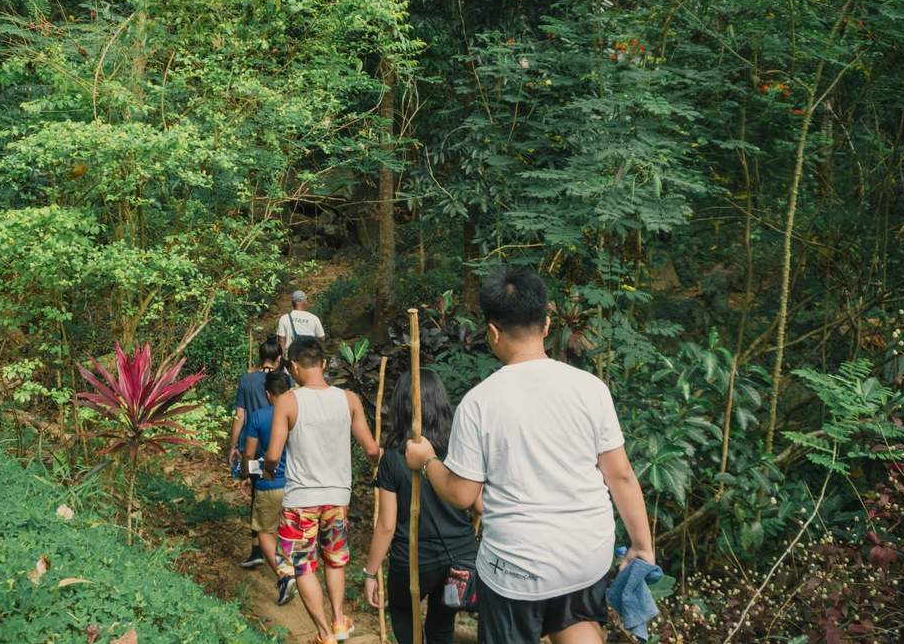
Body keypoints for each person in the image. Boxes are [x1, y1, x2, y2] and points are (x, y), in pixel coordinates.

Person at [404, 266, 654, 644]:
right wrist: (642, 544)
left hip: (517, 569)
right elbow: (620, 475)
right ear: (548, 324)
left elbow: (461, 494)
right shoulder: (591, 388)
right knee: (579, 622)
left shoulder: (479, 402)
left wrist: (425, 460)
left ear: (492, 331)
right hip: (586, 554)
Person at [263, 338, 380, 644]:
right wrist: (382, 461)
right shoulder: (349, 399)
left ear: (293, 367)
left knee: (303, 565)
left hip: (301, 498)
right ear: (325, 364)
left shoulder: (288, 401)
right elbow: (370, 448)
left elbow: (274, 455)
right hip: (338, 497)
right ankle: (340, 621)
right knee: (335, 559)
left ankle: (324, 634)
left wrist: (267, 471)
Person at [361, 370, 479, 644]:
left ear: (400, 407)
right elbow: (479, 504)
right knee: (441, 630)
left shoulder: (392, 459)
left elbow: (387, 525)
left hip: (414, 559)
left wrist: (370, 572)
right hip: (460, 558)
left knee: (405, 619)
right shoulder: (459, 449)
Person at [228, 338, 288, 568]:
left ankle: (257, 550)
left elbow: (239, 415)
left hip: (251, 449)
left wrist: (233, 446)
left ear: (259, 356)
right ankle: (280, 548)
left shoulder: (247, 380)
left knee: (256, 496)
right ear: (279, 358)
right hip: (280, 448)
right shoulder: (286, 380)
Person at [240, 370, 293, 585]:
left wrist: (245, 475)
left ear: (268, 394)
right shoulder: (298, 414)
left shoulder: (259, 416)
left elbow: (250, 454)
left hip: (269, 483)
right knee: (290, 531)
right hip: (298, 484)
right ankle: (296, 568)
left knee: (263, 532)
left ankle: (285, 574)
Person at [277, 289, 326, 354]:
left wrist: (282, 357)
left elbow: (281, 341)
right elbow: (322, 338)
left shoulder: (284, 318)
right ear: (305, 302)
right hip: (310, 357)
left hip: (292, 357)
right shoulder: (314, 318)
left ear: (292, 303)